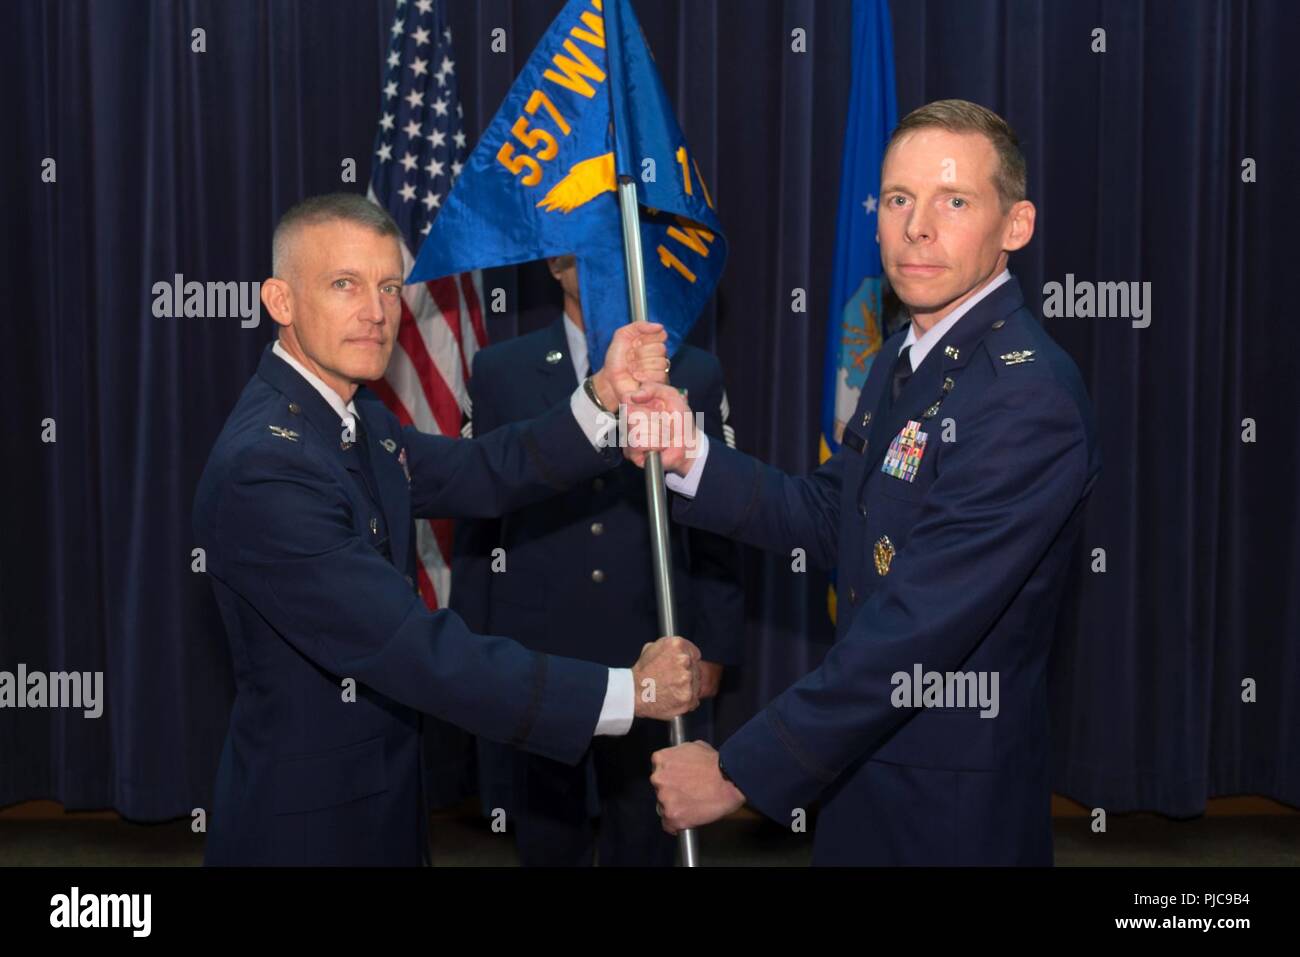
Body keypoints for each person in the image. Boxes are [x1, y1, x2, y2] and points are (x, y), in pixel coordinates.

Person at [635, 100, 1102, 865]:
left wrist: (738, 769)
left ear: (1015, 226)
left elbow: (920, 623)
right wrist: (689, 454)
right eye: (897, 199)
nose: (917, 225)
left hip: (948, 805)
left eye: (954, 201)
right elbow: (832, 512)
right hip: (861, 767)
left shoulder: (1028, 397)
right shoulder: (905, 354)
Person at [193, 193, 700, 865]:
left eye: (389, 286)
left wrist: (602, 397)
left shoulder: (355, 416)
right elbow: (414, 648)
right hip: (308, 828)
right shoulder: (267, 464)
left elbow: (483, 469)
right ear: (280, 302)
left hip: (382, 801)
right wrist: (627, 691)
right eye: (343, 285)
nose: (376, 312)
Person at [452, 254, 744, 866]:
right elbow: (478, 516)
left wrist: (713, 641)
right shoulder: (500, 370)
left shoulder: (694, 370)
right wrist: (468, 639)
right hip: (536, 646)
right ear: (558, 268)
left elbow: (721, 521)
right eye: (592, 248)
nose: (610, 261)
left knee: (645, 830)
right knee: (545, 833)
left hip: (651, 641)